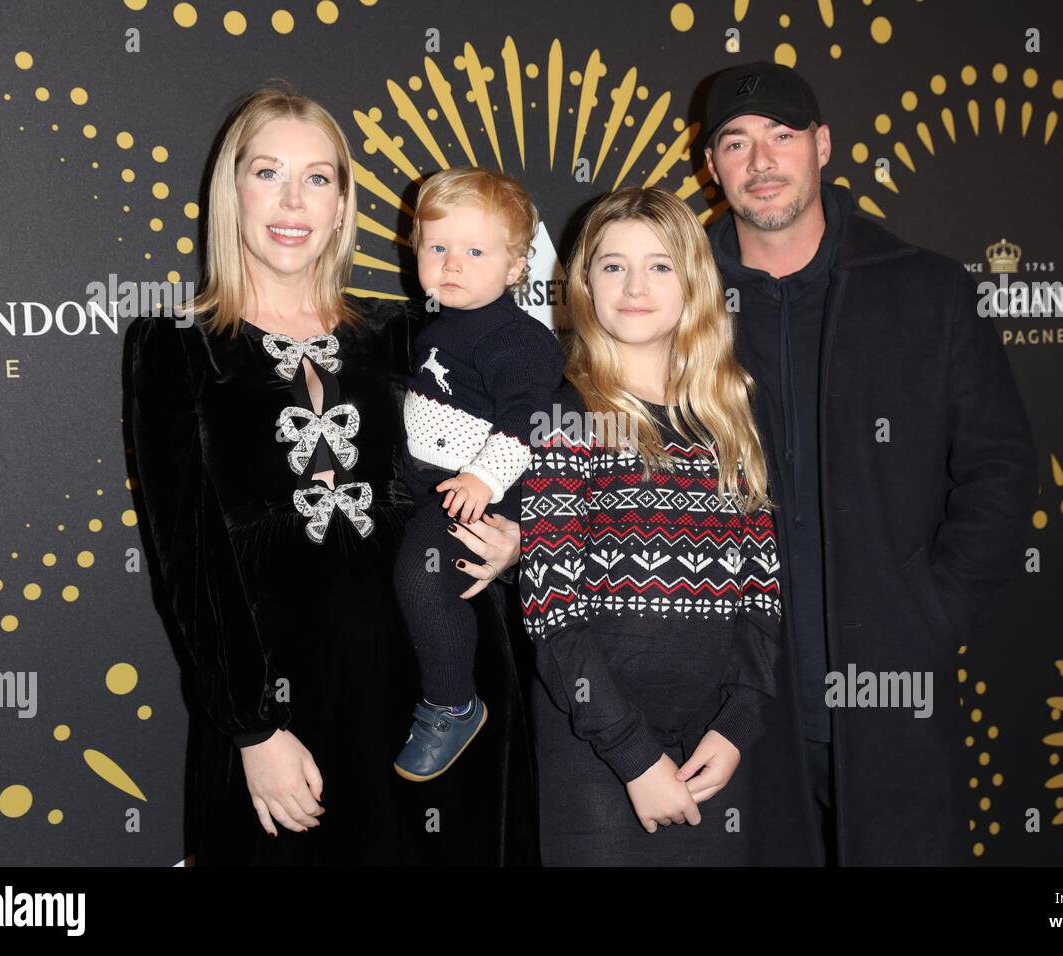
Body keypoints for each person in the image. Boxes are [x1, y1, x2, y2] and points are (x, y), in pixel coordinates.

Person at [127, 86, 527, 865]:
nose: (292, 200)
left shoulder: (406, 333)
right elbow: (188, 558)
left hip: (424, 685)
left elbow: (501, 442)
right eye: (268, 172)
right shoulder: (175, 348)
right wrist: (251, 727)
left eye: (318, 179)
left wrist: (514, 537)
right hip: (278, 699)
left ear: (343, 204)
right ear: (230, 191)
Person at [700, 61, 1038, 864]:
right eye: (737, 142)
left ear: (822, 146)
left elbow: (1000, 464)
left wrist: (931, 610)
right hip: (730, 702)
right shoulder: (673, 297)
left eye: (782, 136)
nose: (762, 161)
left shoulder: (926, 290)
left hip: (891, 694)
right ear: (711, 165)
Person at [519, 186, 783, 865]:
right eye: (613, 266)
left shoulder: (729, 423)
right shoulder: (568, 416)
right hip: (597, 760)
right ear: (584, 283)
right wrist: (635, 759)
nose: (635, 286)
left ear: (693, 281)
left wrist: (736, 728)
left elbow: (763, 600)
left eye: (659, 265)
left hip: (714, 753)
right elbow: (552, 614)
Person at [391, 167, 563, 781]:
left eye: (474, 251)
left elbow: (531, 420)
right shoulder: (438, 327)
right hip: (432, 488)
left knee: (420, 578)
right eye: (437, 248)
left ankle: (451, 704)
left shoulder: (517, 339)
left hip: (482, 496)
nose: (452, 264)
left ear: (517, 266)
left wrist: (484, 482)